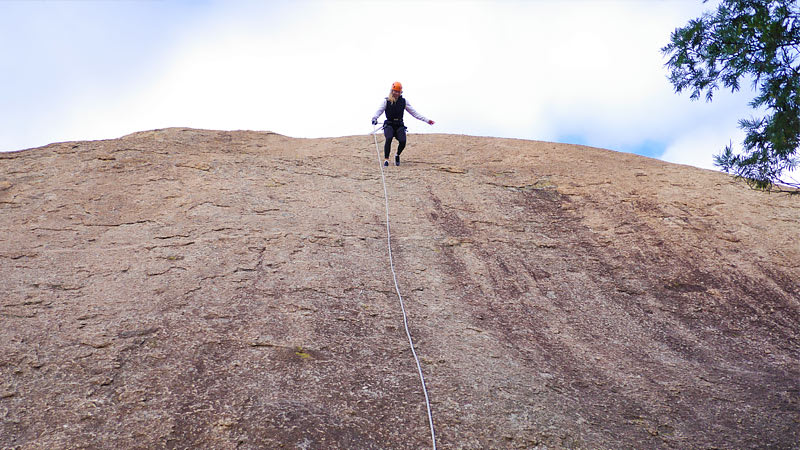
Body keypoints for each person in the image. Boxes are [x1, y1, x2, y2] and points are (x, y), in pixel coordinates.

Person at [371, 82, 435, 166]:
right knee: (389, 138)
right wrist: (374, 118)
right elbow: (379, 111)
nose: (397, 93)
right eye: (395, 91)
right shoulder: (386, 101)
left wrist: (427, 120)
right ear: (392, 91)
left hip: (399, 125)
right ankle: (386, 160)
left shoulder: (404, 102)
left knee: (403, 141)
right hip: (389, 124)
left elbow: (415, 113)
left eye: (398, 92)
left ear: (401, 92)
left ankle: (397, 155)